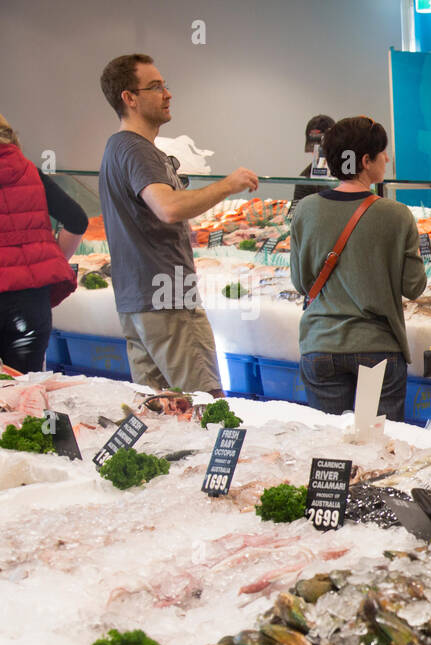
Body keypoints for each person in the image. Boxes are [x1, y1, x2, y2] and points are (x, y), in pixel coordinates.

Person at [98, 53, 259, 394]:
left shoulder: (118, 147)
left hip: (139, 300)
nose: (167, 94)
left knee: (162, 415)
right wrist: (229, 185)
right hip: (167, 299)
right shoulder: (137, 149)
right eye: (155, 87)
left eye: (165, 85)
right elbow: (168, 208)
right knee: (204, 409)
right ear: (129, 98)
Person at [289, 117, 425, 421]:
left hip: (320, 346)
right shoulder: (397, 215)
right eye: (382, 153)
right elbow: (413, 287)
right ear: (365, 161)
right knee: (379, 452)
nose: (387, 158)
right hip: (378, 349)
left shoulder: (306, 210)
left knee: (332, 451)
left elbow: (300, 282)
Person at [0, 114, 86, 372]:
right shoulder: (30, 171)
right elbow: (77, 219)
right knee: (28, 393)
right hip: (30, 304)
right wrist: (51, 260)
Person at [294, 114, 334, 202]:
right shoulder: (304, 178)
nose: (318, 153)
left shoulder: (350, 172)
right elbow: (296, 213)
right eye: (314, 149)